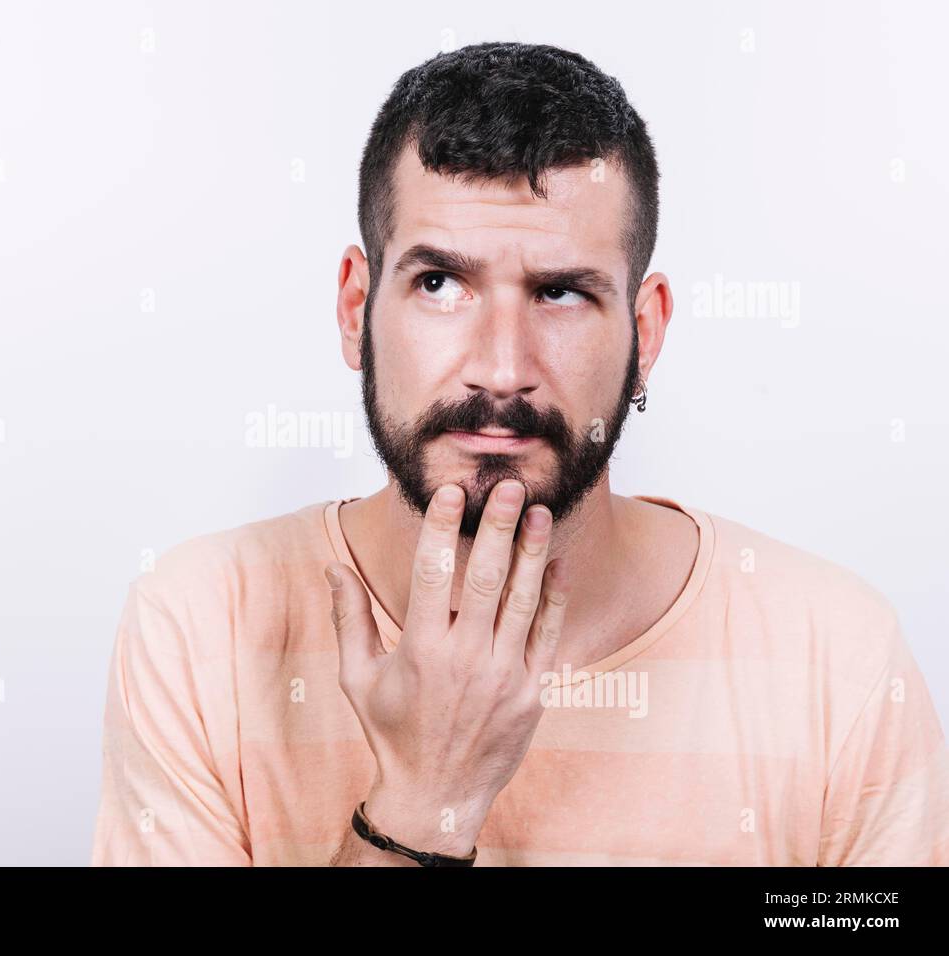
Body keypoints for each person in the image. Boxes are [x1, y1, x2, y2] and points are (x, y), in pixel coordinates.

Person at [90, 42, 949, 866]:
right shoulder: (200, 627)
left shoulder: (836, 656)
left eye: (563, 292)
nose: (502, 369)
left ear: (644, 334)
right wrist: (425, 799)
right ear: (355, 308)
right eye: (438, 284)